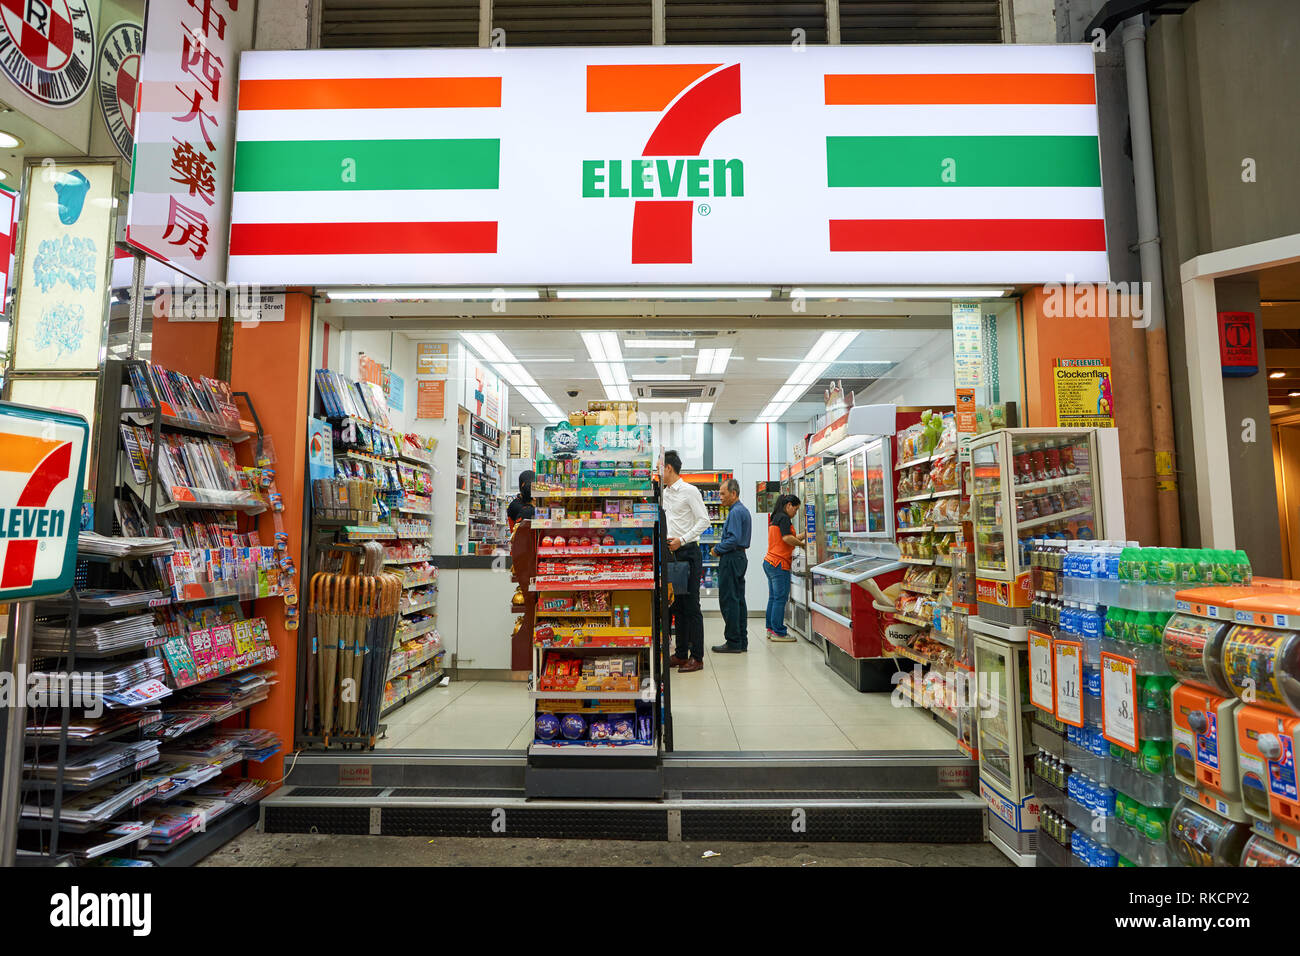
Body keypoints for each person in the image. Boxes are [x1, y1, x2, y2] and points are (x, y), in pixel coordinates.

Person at [661, 450, 710, 673]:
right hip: (671, 554)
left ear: (668, 468)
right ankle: (681, 654)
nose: (658, 472)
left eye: (659, 467)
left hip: (688, 552)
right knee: (677, 605)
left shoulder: (690, 491)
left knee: (692, 606)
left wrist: (682, 539)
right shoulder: (665, 494)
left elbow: (704, 521)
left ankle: (697, 657)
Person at [711, 478, 752, 654]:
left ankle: (733, 641)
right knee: (738, 599)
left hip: (731, 558)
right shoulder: (743, 510)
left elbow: (733, 539)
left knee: (729, 600)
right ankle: (741, 639)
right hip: (740, 557)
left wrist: (717, 549)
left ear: (733, 493)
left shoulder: (735, 512)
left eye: (723, 493)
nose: (720, 497)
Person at [763, 494, 806, 642]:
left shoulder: (776, 517)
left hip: (770, 562)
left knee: (773, 598)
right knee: (780, 599)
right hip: (779, 564)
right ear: (788, 505)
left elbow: (789, 538)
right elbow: (787, 538)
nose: (795, 512)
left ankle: (770, 628)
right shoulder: (784, 518)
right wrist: (803, 545)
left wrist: (805, 535)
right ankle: (779, 632)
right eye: (795, 509)